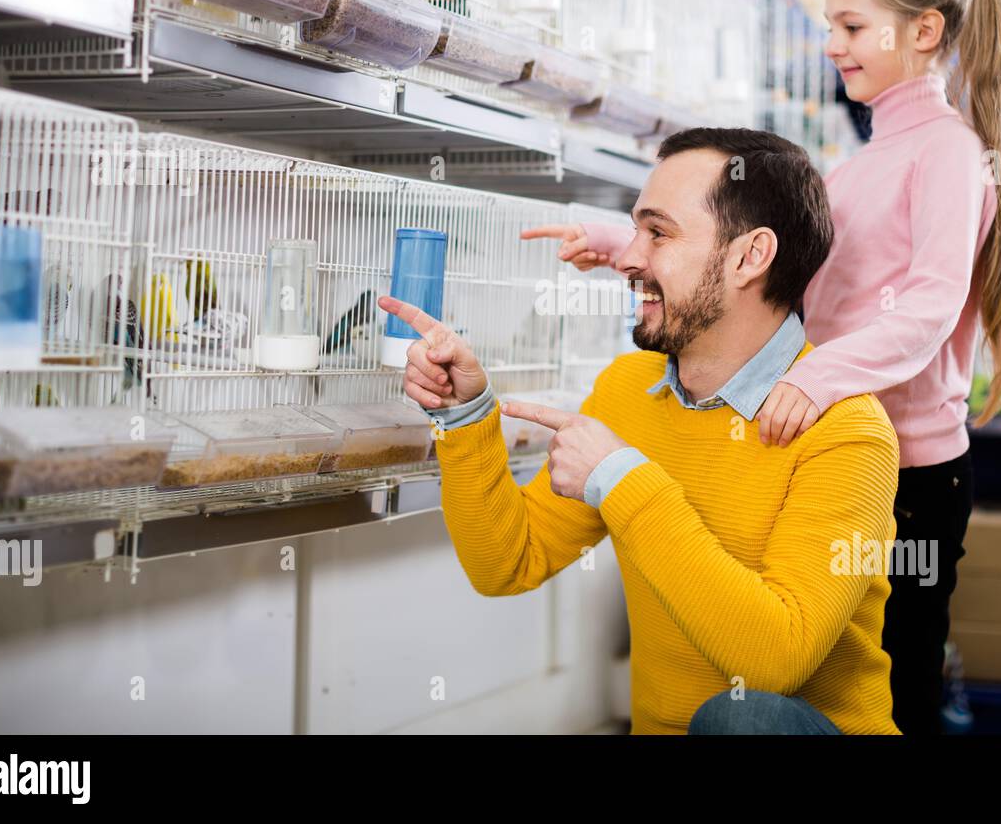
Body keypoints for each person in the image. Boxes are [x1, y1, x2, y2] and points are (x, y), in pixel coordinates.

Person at [522, 0, 1001, 734]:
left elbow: (925, 313)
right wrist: (631, 246)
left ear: (924, 31)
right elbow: (761, 268)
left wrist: (812, 377)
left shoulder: (949, 153)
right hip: (831, 448)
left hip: (911, 472)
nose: (832, 46)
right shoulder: (856, 164)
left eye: (851, 27)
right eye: (829, 28)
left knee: (901, 681)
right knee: (809, 677)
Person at [380, 128, 901, 734]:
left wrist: (623, 480)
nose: (627, 257)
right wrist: (466, 416)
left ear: (750, 256)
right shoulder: (629, 389)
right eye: (635, 230)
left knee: (743, 719)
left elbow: (773, 661)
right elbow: (507, 563)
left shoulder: (847, 430)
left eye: (658, 233)